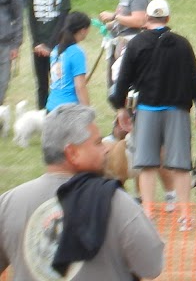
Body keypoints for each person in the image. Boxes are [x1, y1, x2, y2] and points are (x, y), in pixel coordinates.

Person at [0, 104, 164, 281]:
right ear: (73, 153)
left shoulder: (8, 203)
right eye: (97, 143)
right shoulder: (117, 202)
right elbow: (151, 266)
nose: (107, 148)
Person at [108, 0, 196, 224]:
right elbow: (195, 78)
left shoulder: (136, 44)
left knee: (147, 163)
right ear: (168, 19)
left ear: (146, 19)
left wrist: (120, 108)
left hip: (147, 109)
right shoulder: (182, 44)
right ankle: (185, 214)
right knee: (181, 163)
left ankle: (148, 212)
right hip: (178, 110)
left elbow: (122, 81)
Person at [25, 0, 69, 109]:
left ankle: (58, 112)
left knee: (58, 82)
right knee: (41, 83)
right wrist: (36, 43)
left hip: (56, 46)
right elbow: (31, 19)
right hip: (38, 46)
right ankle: (42, 112)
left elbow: (62, 21)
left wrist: (50, 45)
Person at [45, 11, 92, 110]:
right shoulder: (77, 53)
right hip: (68, 110)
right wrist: (87, 111)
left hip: (51, 106)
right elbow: (80, 87)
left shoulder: (56, 50)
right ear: (83, 30)